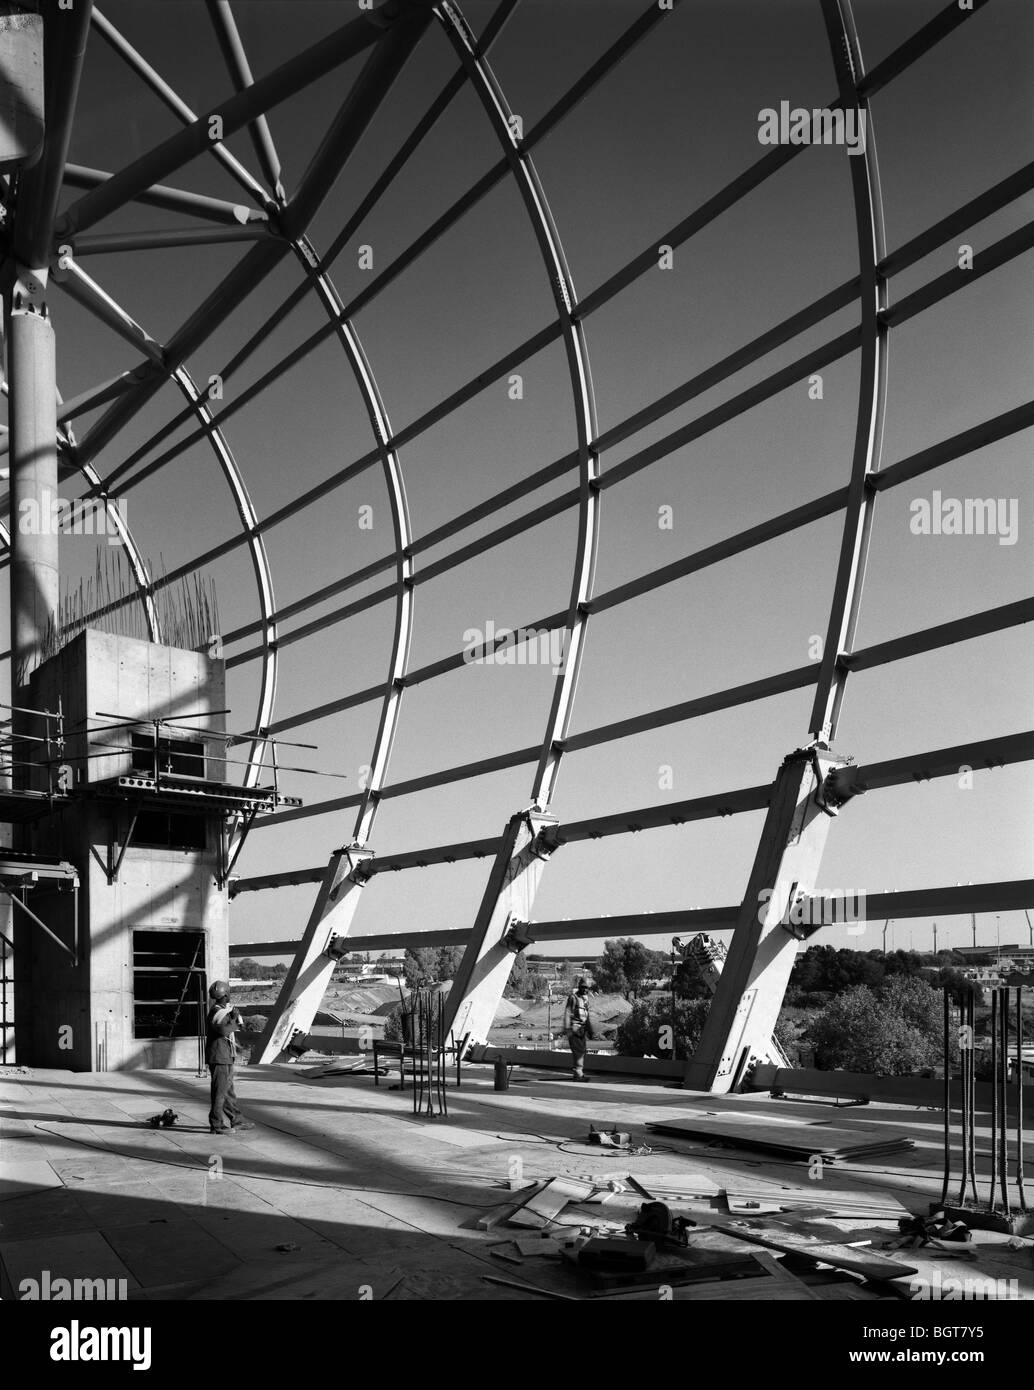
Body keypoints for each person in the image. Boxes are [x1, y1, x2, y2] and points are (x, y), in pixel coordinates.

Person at [206, 981, 252, 1135]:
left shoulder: (221, 1010)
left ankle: (237, 1120)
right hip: (219, 1057)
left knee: (228, 1091)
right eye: (228, 993)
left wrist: (233, 1017)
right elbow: (223, 1030)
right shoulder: (216, 1011)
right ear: (225, 994)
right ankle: (216, 1125)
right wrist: (233, 1018)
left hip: (225, 1056)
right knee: (219, 1092)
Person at [563, 977, 593, 1082]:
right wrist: (567, 1030)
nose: (585, 990)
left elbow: (587, 1016)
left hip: (582, 1030)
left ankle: (579, 1073)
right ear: (579, 987)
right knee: (578, 1052)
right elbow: (567, 1013)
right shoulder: (573, 998)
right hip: (574, 1030)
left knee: (582, 1052)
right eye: (583, 987)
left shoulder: (586, 1000)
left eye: (587, 988)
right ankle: (578, 1074)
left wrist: (590, 1030)